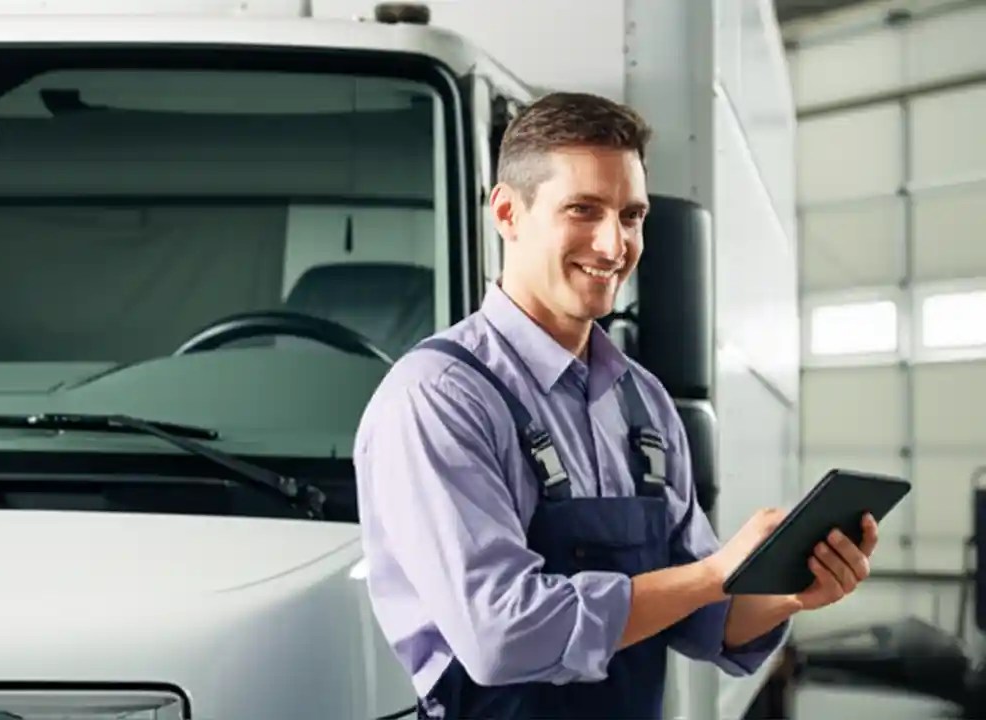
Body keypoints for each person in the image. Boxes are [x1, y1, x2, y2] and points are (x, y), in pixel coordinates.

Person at [352, 91, 880, 720]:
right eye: (583, 210)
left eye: (632, 216)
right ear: (508, 213)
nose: (613, 245)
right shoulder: (439, 397)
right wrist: (713, 575)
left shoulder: (644, 404)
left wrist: (789, 588)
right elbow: (501, 636)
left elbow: (703, 617)